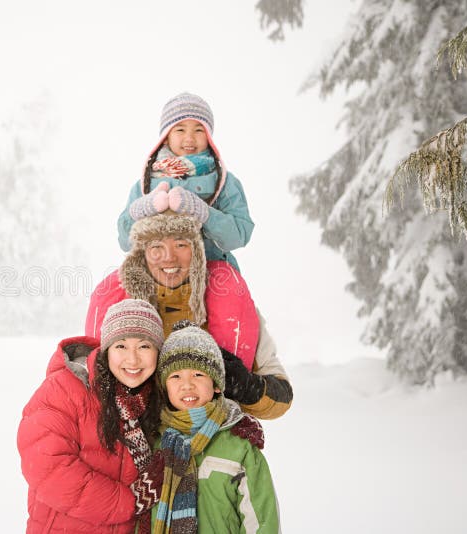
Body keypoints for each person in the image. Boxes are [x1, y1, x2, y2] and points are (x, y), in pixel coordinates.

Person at [86, 211, 292, 420]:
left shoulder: (231, 305)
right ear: (142, 253)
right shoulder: (119, 313)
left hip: (215, 442)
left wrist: (246, 386)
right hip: (141, 445)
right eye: (156, 246)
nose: (169, 257)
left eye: (181, 244)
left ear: (197, 249)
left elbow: (281, 398)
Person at [17, 299, 167, 533]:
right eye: (121, 346)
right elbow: (49, 468)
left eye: (144, 346)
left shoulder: (155, 400)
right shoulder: (64, 389)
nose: (133, 359)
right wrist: (128, 502)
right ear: (106, 350)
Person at [149, 320, 280, 534]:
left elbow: (262, 520)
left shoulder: (240, 446)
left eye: (198, 374)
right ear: (164, 387)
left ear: (217, 385)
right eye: (175, 376)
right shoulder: (155, 441)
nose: (187, 384)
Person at [118, 92, 253, 272]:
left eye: (198, 130)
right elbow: (124, 242)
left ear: (209, 136)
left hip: (212, 272)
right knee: (112, 291)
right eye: (180, 130)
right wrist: (141, 211)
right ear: (166, 136)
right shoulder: (146, 182)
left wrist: (205, 213)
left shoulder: (224, 181)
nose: (189, 138)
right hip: (159, 274)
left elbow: (239, 235)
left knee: (231, 297)